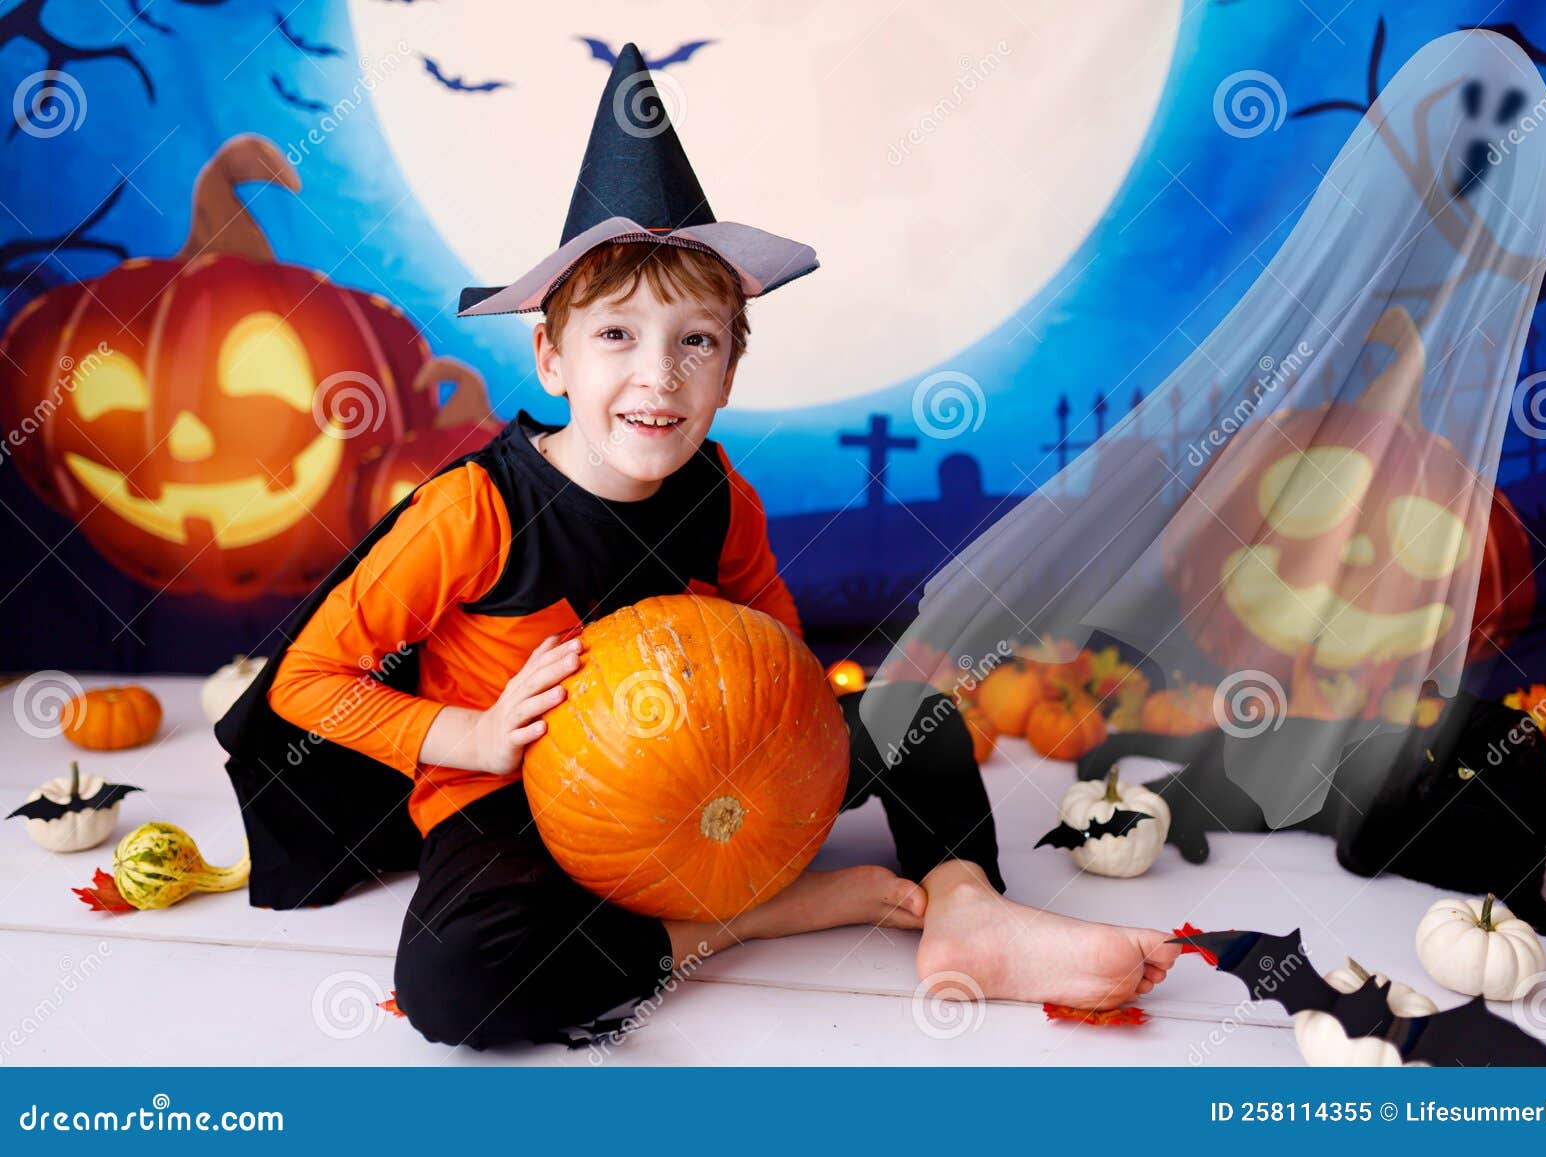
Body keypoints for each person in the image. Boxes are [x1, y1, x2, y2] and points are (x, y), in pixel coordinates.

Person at [221, 44, 1177, 1051]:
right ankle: (733, 921)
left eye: (695, 341)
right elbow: (309, 680)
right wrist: (468, 739)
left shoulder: (722, 496)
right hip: (527, 798)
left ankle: (964, 904)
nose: (659, 376)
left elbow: (774, 644)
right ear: (552, 356)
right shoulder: (475, 512)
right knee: (456, 983)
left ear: (728, 369)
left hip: (712, 771)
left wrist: (787, 749)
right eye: (617, 336)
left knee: (916, 714)